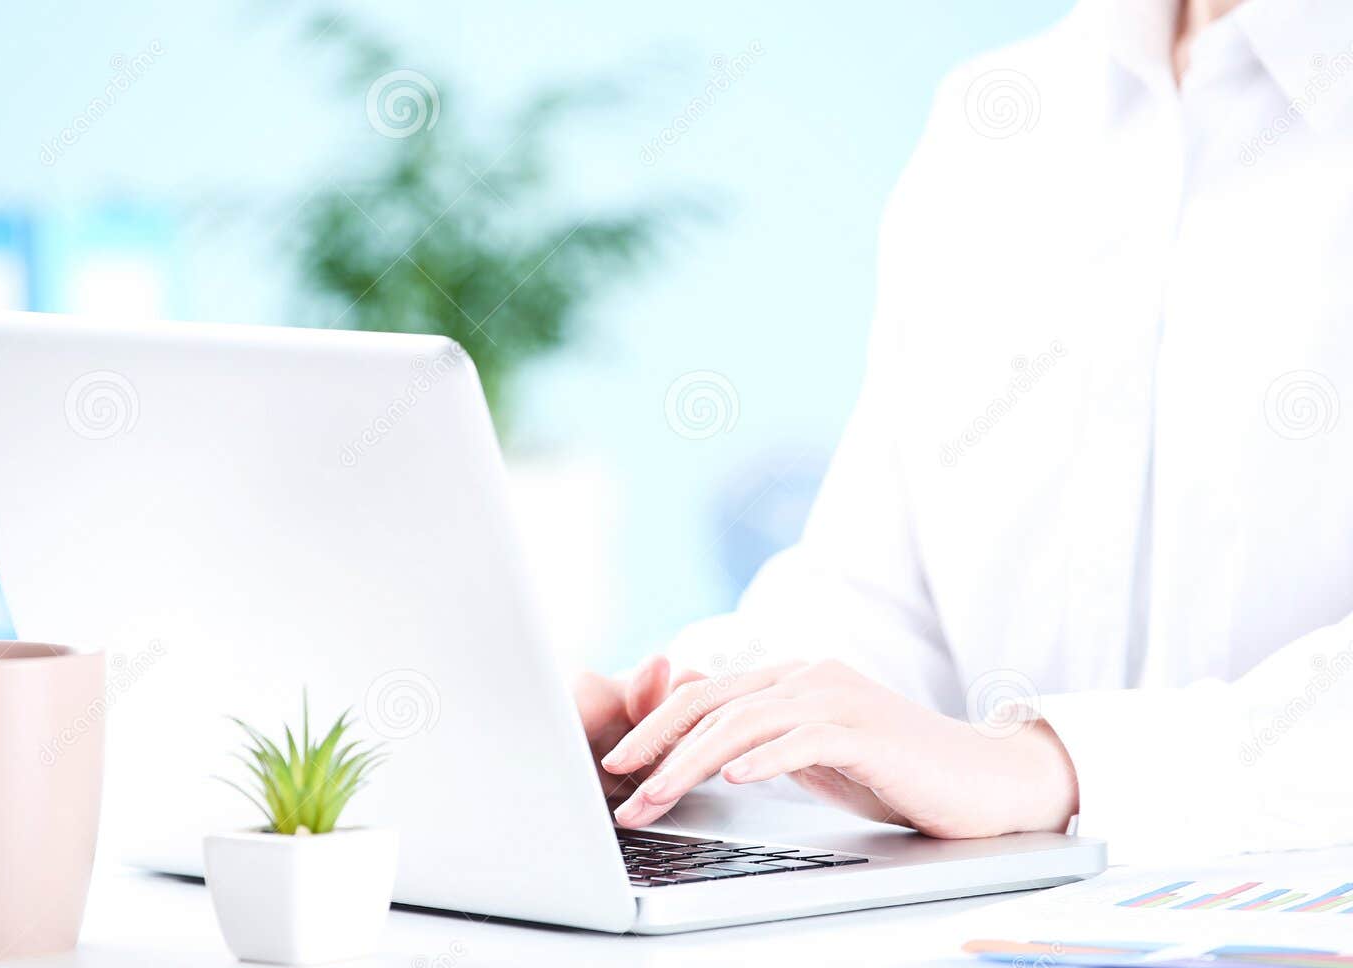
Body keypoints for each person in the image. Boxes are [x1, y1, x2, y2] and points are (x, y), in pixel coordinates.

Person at [576, 0, 1353, 862]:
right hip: (996, 954)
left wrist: (1049, 765)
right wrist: (683, 724)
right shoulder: (996, 116)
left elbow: (998, 769)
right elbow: (882, 595)